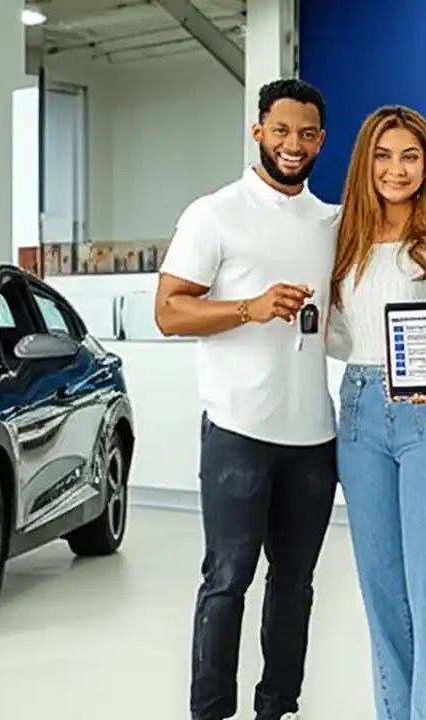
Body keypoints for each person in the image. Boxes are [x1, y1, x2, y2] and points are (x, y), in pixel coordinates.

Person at [154, 78, 338, 720]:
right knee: (227, 580)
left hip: (314, 437)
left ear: (321, 140)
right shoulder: (215, 213)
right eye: (281, 130)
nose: (294, 145)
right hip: (238, 430)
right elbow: (169, 312)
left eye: (307, 133)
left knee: (296, 585)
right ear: (258, 131)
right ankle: (210, 711)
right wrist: (250, 308)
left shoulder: (332, 223)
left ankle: (277, 706)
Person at [326, 105, 426, 719]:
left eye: (410, 156)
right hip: (361, 411)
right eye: (384, 156)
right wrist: (312, 328)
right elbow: (346, 339)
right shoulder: (345, 238)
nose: (396, 170)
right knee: (382, 587)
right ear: (365, 162)